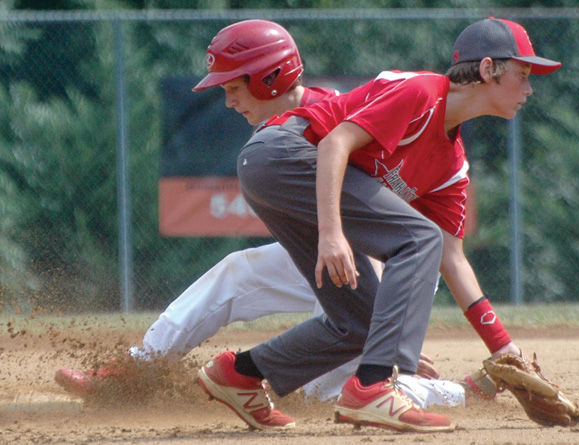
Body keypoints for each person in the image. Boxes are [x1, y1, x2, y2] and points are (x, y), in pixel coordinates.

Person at [54, 19, 464, 410]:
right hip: (334, 256)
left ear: (272, 78)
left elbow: (386, 223)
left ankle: (454, 393)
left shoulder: (332, 112)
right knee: (238, 272)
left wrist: (387, 327)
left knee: (324, 396)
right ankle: (135, 370)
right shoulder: (277, 130)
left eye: (234, 87)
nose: (229, 101)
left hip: (384, 266)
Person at [196, 17, 560, 433]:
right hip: (282, 153)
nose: (529, 89)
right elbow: (334, 143)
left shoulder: (450, 166)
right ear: (487, 69)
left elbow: (453, 259)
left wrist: (504, 349)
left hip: (276, 174)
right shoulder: (423, 91)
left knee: (362, 322)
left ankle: (240, 373)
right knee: (418, 237)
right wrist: (332, 233)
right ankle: (373, 387)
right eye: (522, 74)